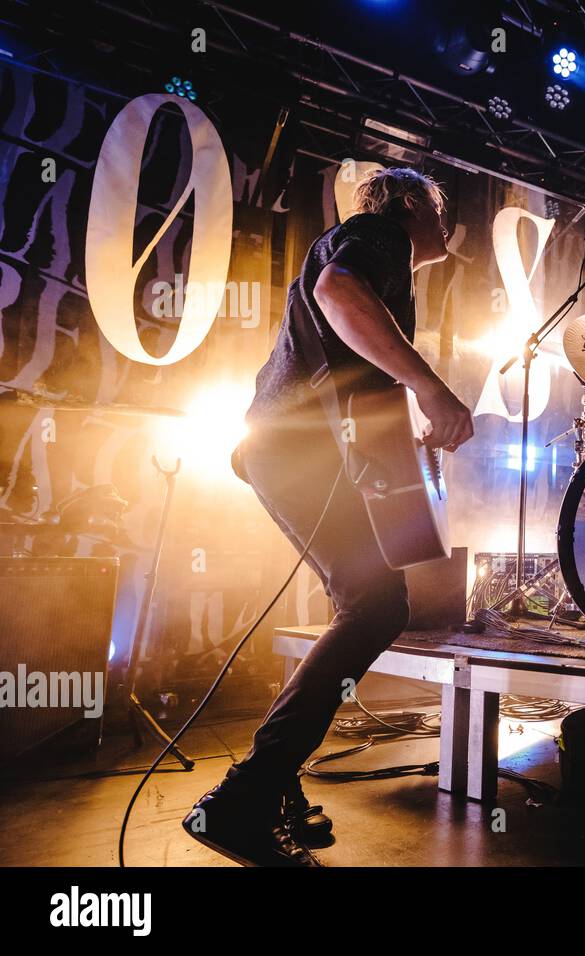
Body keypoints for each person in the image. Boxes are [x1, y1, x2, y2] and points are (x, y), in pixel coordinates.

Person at [181, 167, 474, 867]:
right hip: (293, 450)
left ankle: (270, 789)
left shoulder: (381, 260)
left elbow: (353, 368)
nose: (447, 223)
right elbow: (336, 291)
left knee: (362, 605)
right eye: (439, 209)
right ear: (410, 206)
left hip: (290, 450)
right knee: (375, 608)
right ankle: (243, 799)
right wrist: (432, 388)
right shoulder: (377, 236)